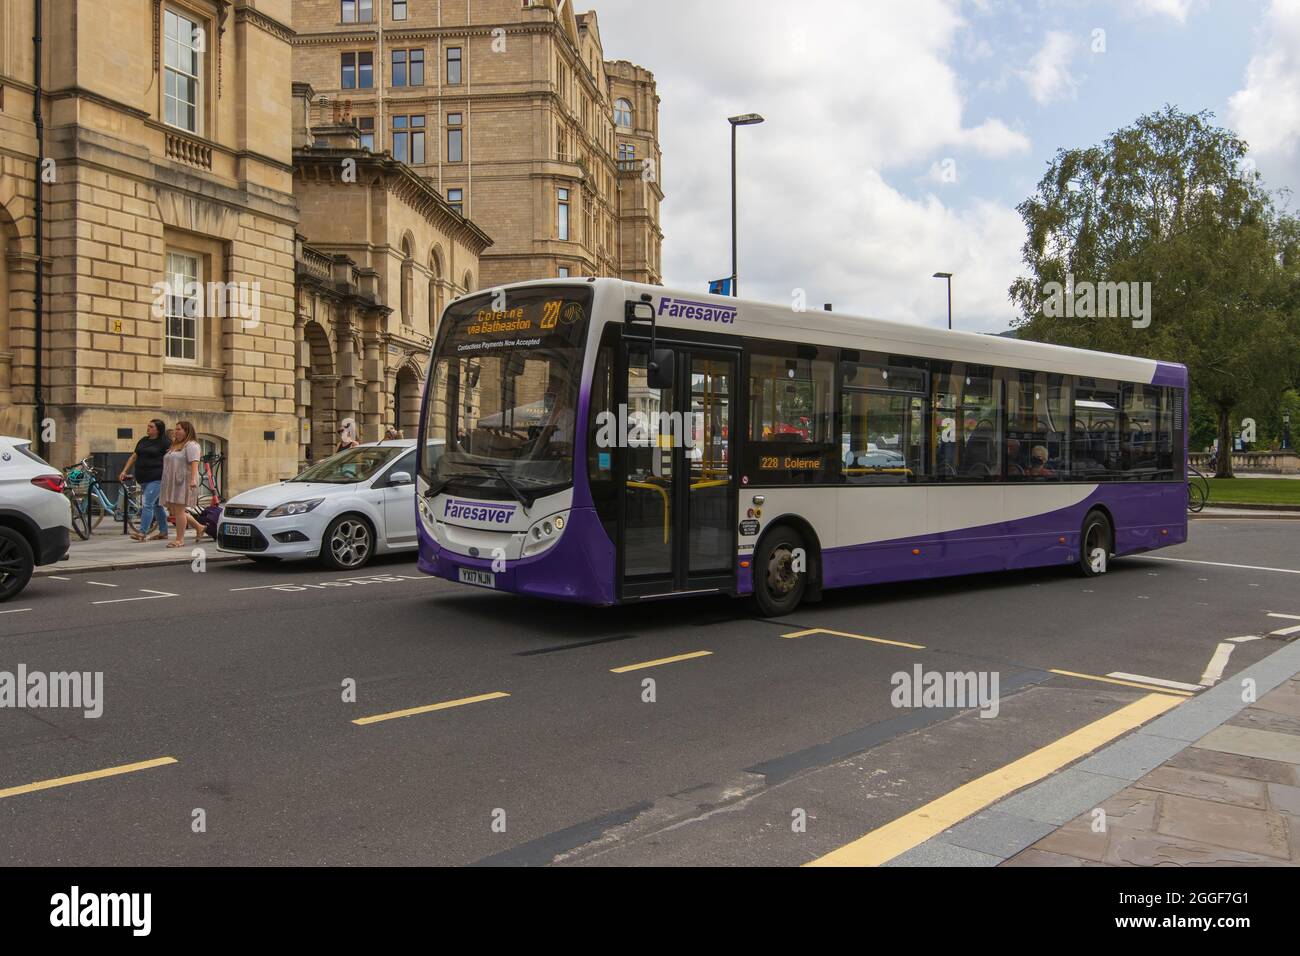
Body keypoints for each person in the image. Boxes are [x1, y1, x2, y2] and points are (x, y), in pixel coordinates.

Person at [121, 418, 171, 542]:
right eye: (148, 426)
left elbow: (171, 459)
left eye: (151, 427)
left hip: (157, 478)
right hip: (143, 478)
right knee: (157, 505)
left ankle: (142, 532)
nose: (148, 428)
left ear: (158, 430)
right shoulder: (143, 440)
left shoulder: (165, 442)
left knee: (147, 503)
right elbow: (134, 457)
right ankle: (164, 532)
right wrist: (124, 471)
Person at [160, 420, 206, 548]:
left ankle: (179, 539)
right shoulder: (175, 445)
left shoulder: (192, 445)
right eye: (176, 429)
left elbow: (194, 463)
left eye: (179, 429)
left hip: (183, 481)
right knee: (175, 510)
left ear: (187, 431)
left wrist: (193, 480)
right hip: (172, 481)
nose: (176, 431)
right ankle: (199, 527)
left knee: (179, 510)